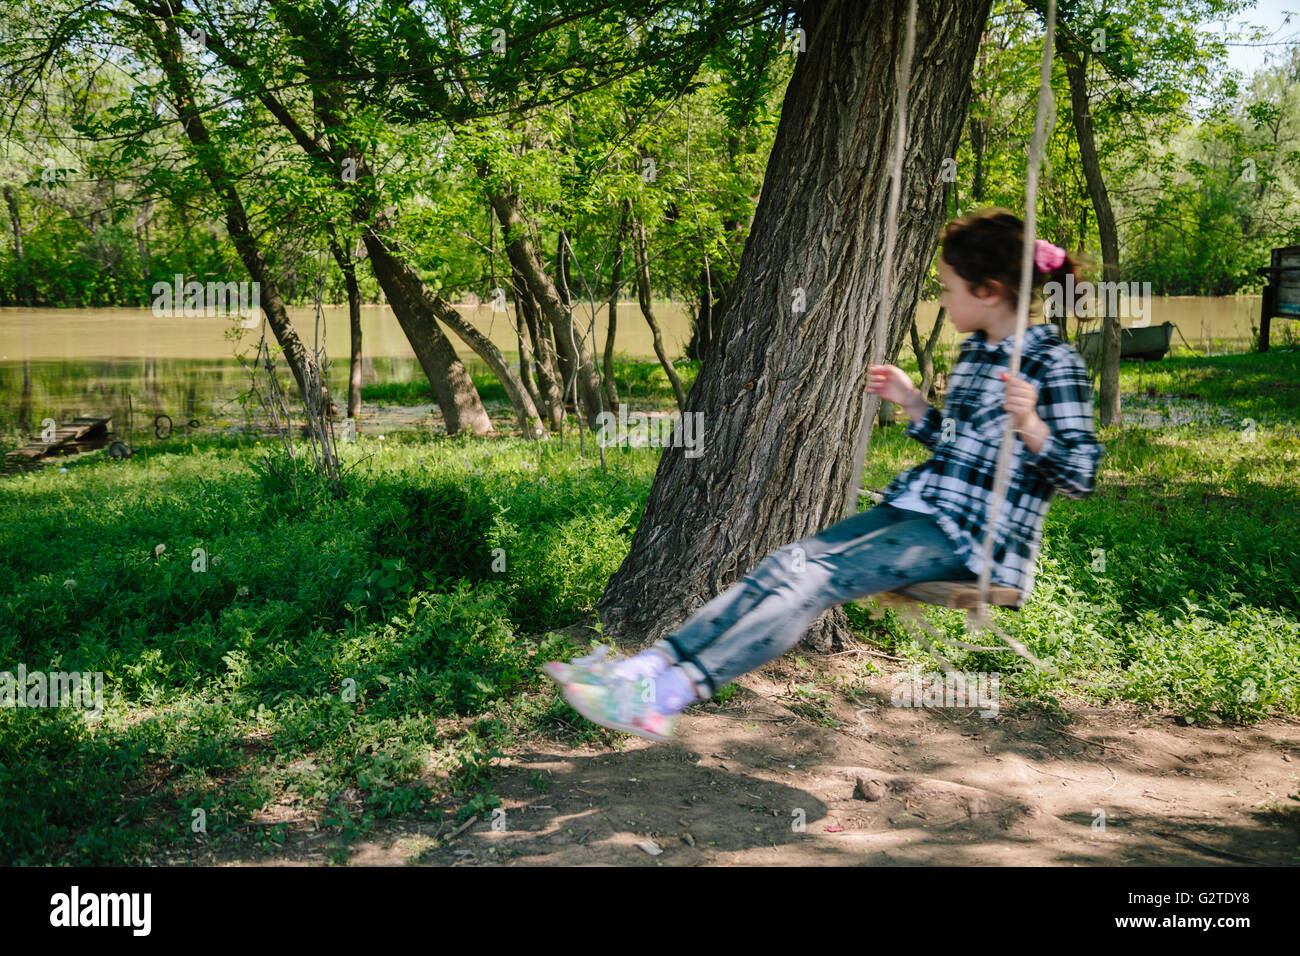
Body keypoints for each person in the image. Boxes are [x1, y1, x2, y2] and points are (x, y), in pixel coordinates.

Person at [541, 208, 1105, 742]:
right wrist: (914, 406)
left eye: (947, 287)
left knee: (814, 579)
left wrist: (1031, 423)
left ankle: (663, 698)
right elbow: (964, 449)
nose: (941, 298)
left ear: (987, 291)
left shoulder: (1053, 364)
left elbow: (1080, 473)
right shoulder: (979, 352)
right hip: (923, 510)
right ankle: (643, 670)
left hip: (974, 539)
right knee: (786, 563)